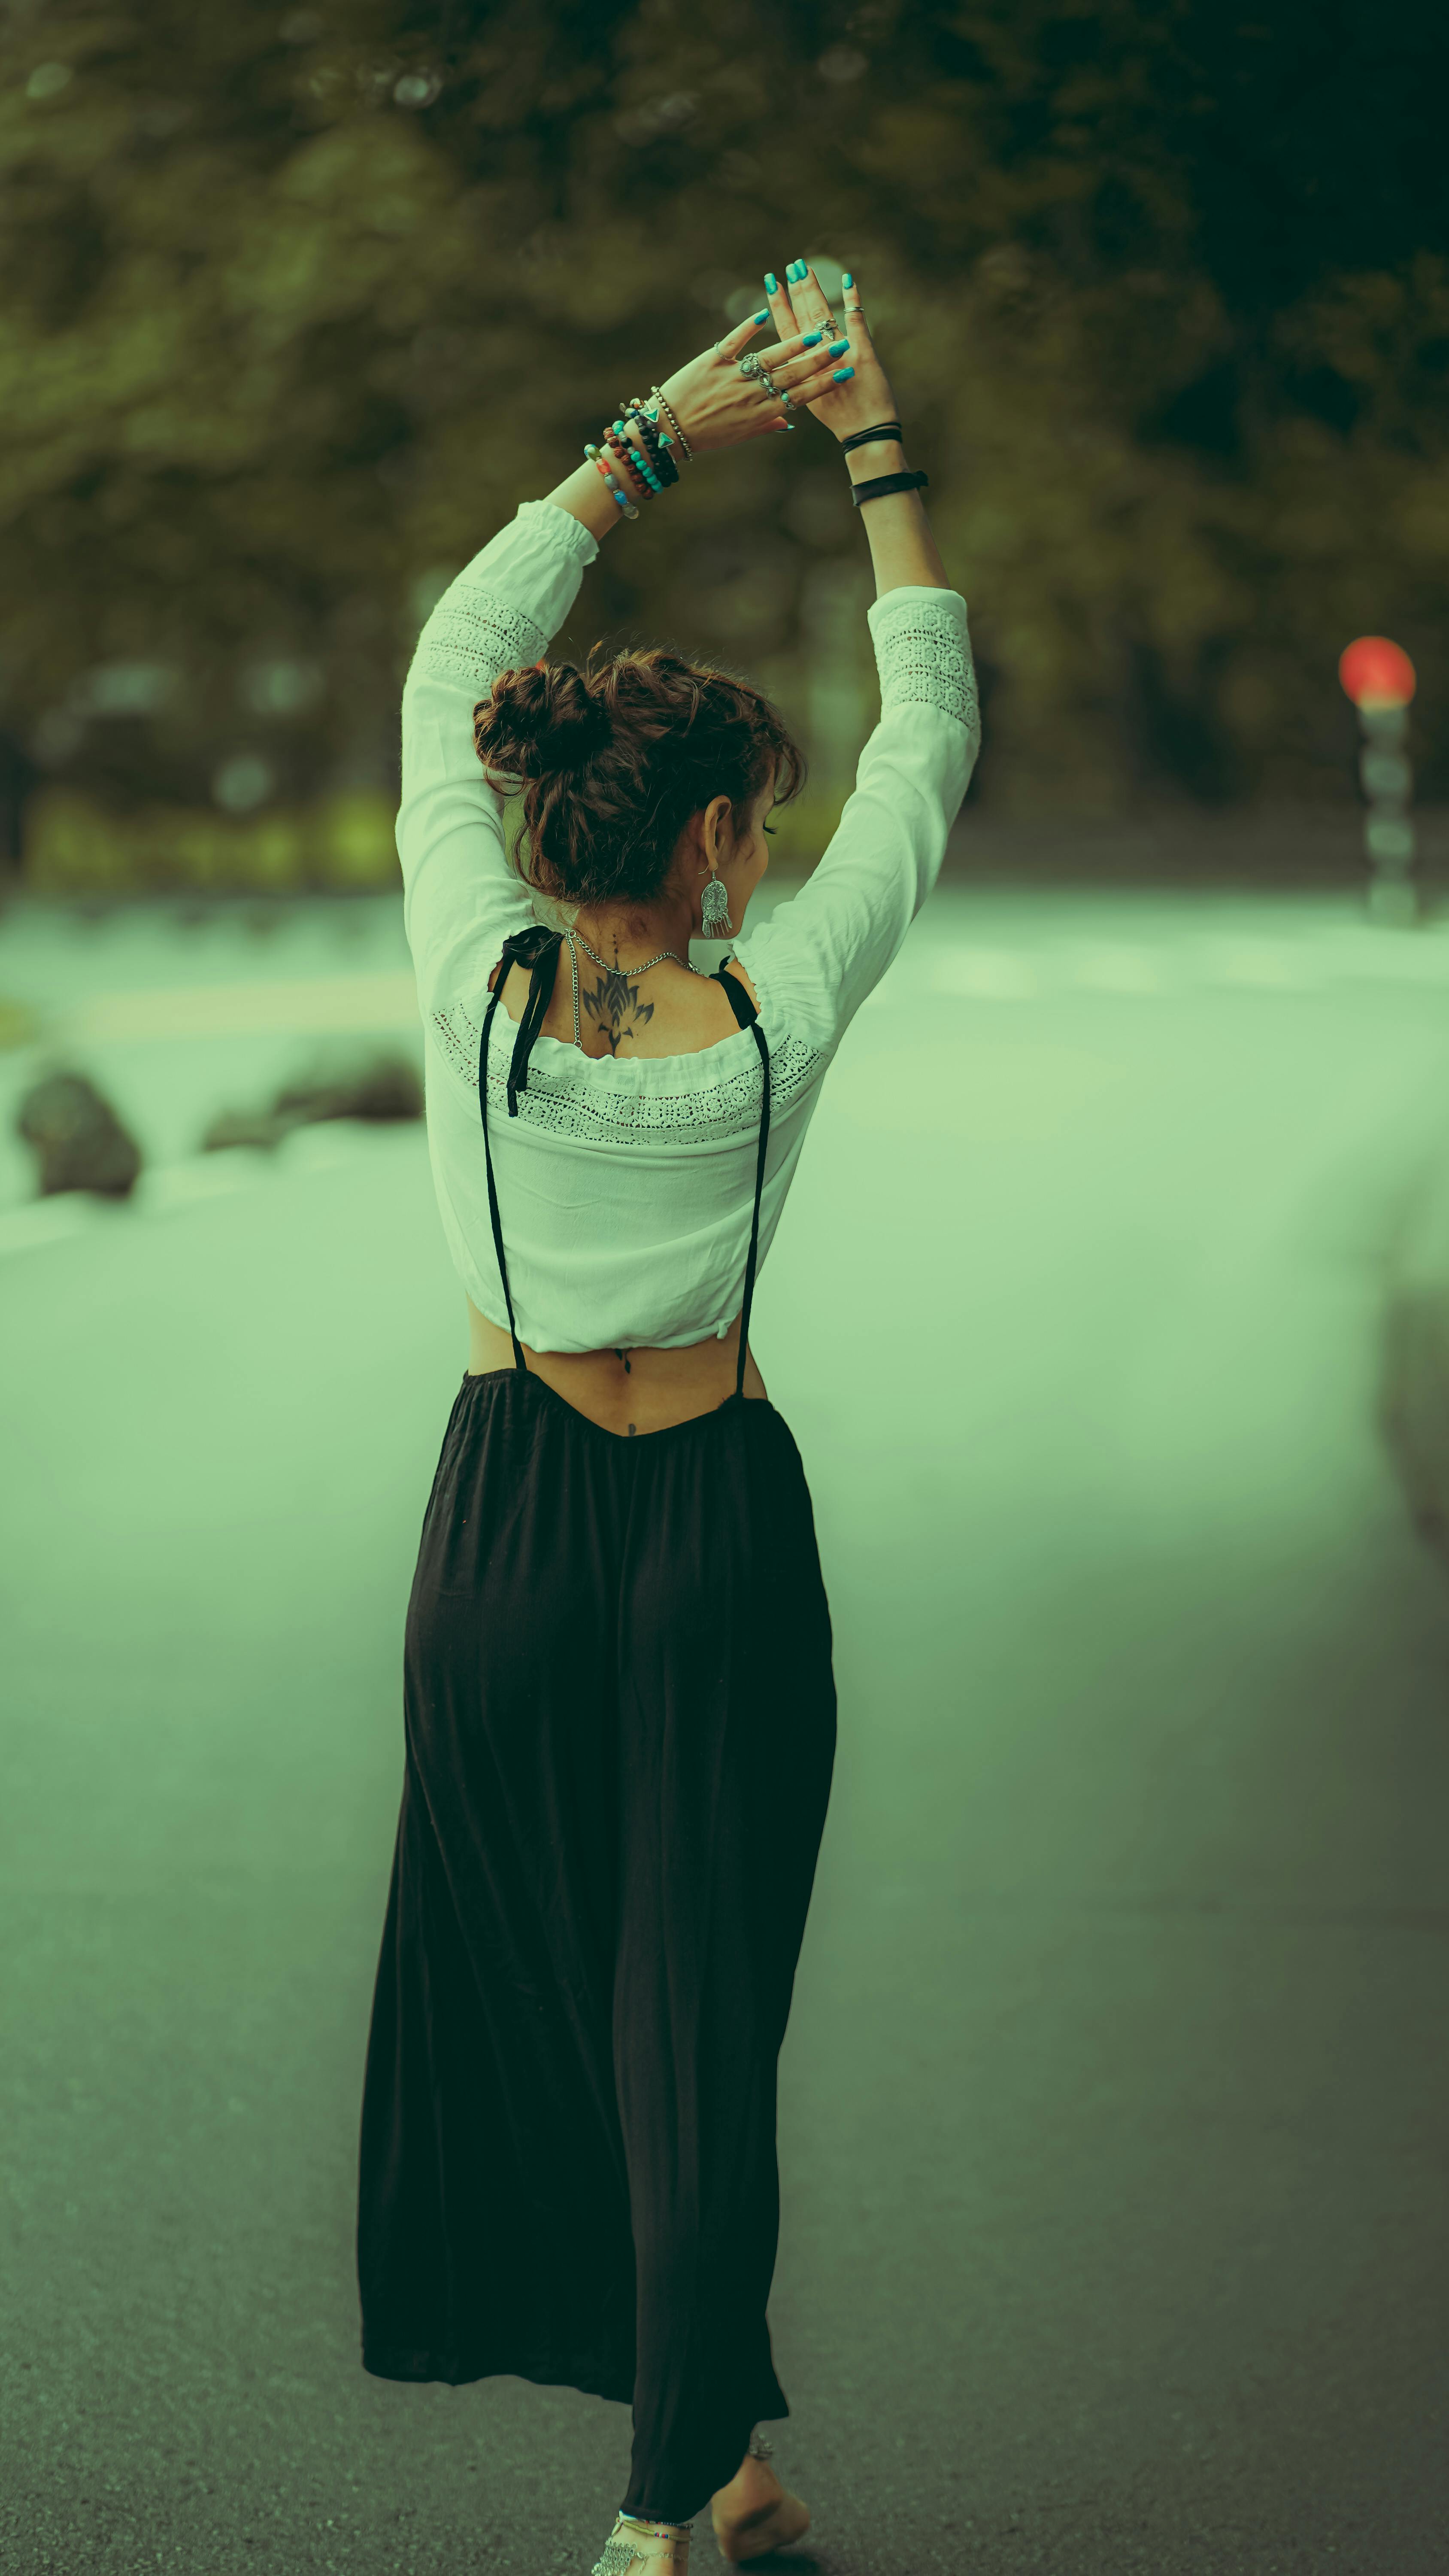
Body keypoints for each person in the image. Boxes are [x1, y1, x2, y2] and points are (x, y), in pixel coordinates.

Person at [355, 258, 979, 2575]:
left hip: (500, 1529)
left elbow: (443, 665)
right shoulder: (781, 1006)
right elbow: (933, 741)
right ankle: (663, 2506)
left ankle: (704, 2461)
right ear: (716, 841)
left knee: (541, 2001)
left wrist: (648, 438)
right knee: (692, 2025)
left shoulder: (463, 972)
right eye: (757, 820)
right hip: (713, 1522)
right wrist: (870, 443)